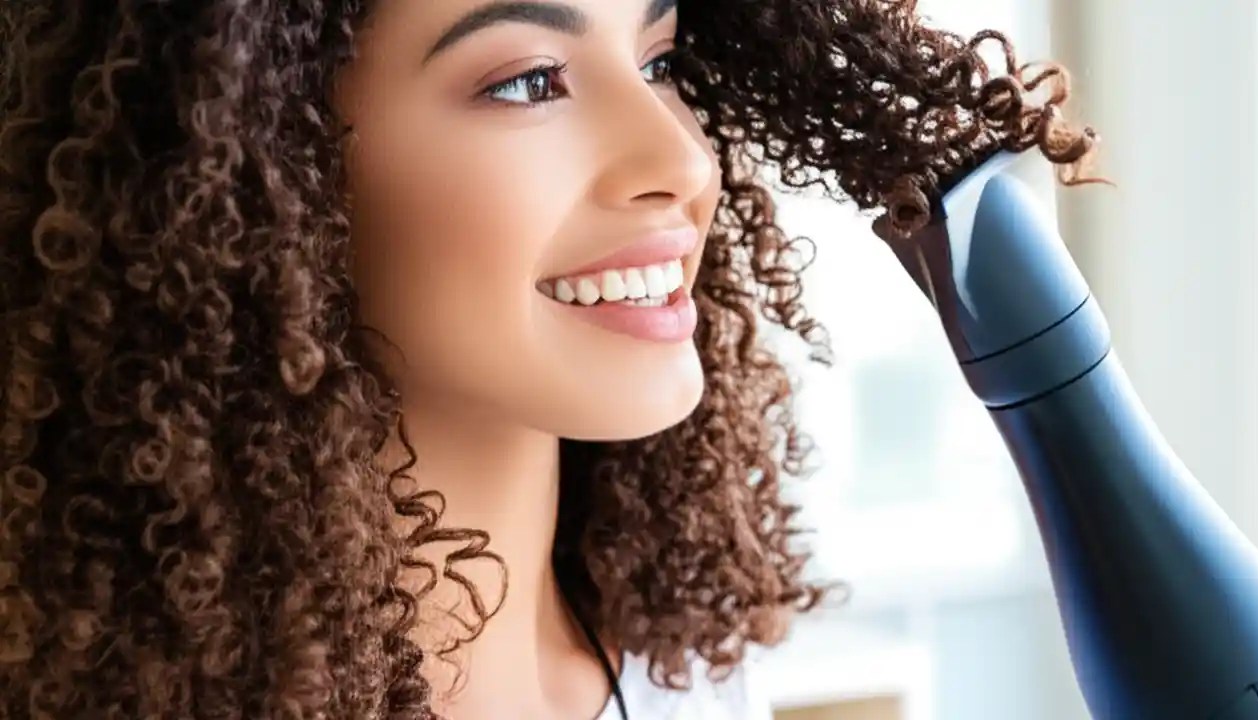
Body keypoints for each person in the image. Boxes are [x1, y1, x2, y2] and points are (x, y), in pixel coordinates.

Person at [0, 0, 1096, 717]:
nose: (678, 158)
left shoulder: (692, 682)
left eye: (657, 60)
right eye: (528, 81)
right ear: (255, 171)